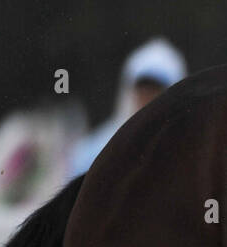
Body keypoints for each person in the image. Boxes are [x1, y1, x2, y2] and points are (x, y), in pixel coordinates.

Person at [67, 37, 188, 178]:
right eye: (142, 90)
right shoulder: (93, 155)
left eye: (157, 90)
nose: (149, 99)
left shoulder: (193, 155)